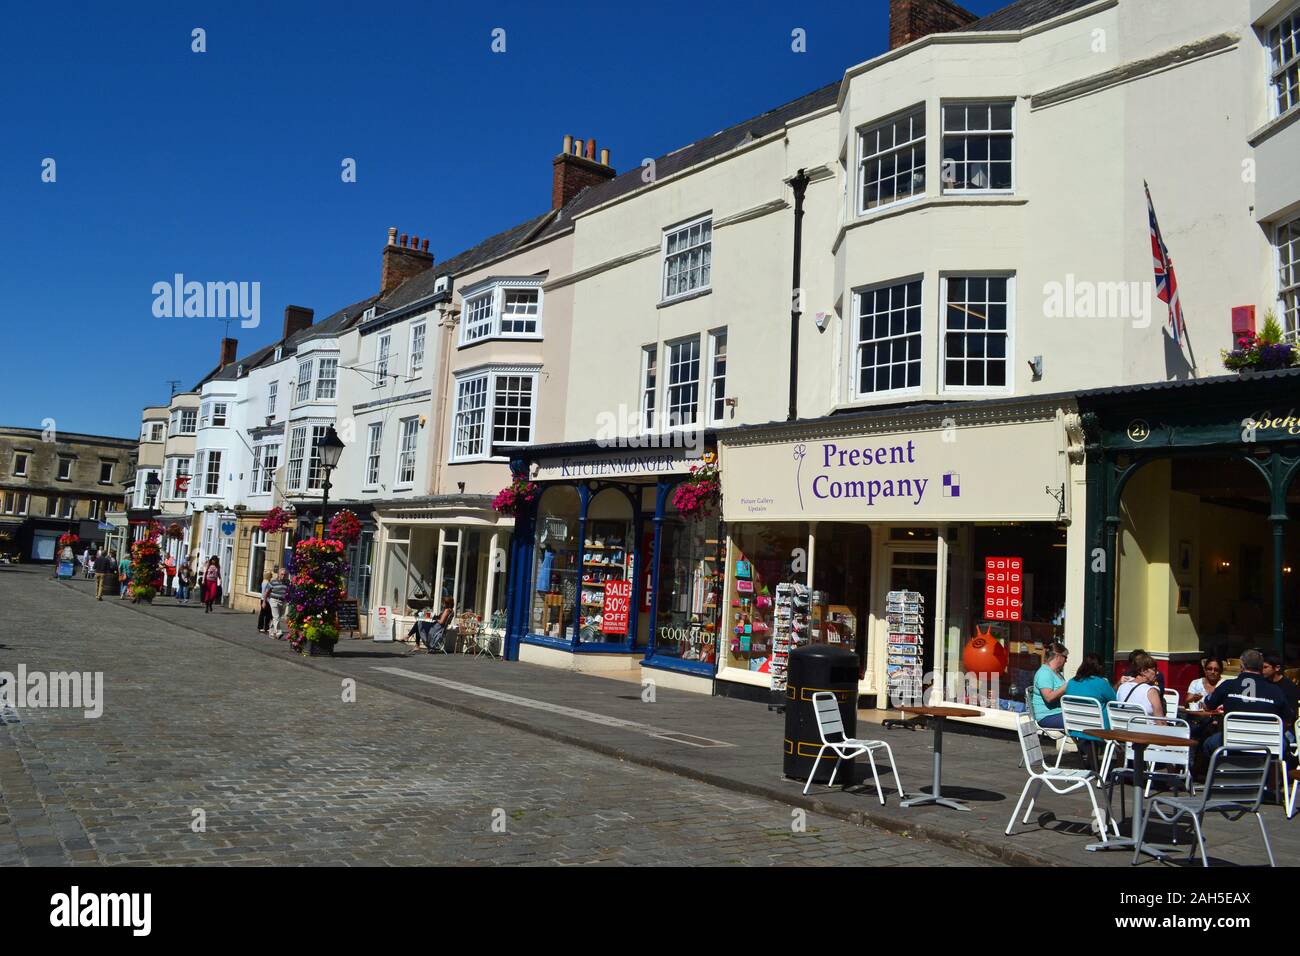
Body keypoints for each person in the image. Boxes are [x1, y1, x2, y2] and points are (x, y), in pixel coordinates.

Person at [1202, 648, 1291, 755]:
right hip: (1266, 747)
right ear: (1261, 667)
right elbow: (1288, 720)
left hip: (1232, 744)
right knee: (1285, 745)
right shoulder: (1276, 691)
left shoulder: (1227, 685)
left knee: (1208, 744)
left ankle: (1217, 769)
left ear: (1241, 666)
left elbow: (1208, 705)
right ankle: (1272, 771)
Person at [1029, 642, 1070, 729]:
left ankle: (1085, 742)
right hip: (1046, 716)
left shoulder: (1056, 673)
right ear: (1058, 656)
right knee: (1081, 722)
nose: (1066, 661)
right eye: (1065, 657)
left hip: (1059, 713)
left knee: (1085, 719)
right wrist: (1067, 686)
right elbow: (1049, 697)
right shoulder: (1044, 673)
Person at [1114, 652, 1166, 716]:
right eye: (1154, 670)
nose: (1156, 673)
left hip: (1123, 724)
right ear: (1144, 671)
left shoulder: (1122, 687)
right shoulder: (1151, 691)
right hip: (1146, 725)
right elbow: (1160, 721)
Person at [1261, 652, 1299, 731]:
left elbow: (1291, 715)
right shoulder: (1262, 682)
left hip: (1283, 728)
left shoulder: (1289, 687)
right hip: (1264, 725)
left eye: (1265, 667)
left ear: (1277, 668)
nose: (1262, 670)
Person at [266, 567, 289, 639]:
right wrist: (264, 601)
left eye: (285, 575)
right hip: (274, 600)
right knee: (276, 617)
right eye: (282, 574)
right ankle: (279, 632)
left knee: (278, 617)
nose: (283, 576)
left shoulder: (288, 582)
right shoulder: (273, 582)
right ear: (278, 574)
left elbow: (289, 592)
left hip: (283, 601)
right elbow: (267, 592)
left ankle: (271, 631)